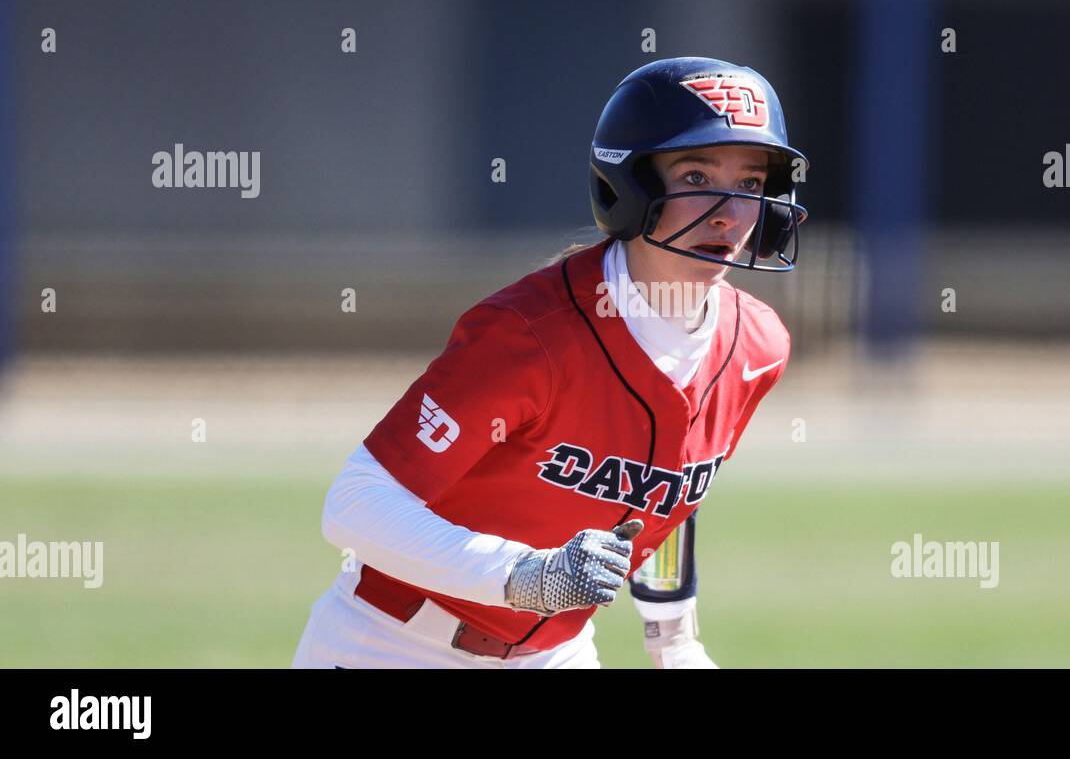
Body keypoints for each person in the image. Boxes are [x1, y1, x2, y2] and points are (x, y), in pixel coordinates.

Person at [291, 56, 808, 669]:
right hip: (394, 643)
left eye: (750, 185)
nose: (730, 212)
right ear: (631, 187)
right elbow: (355, 504)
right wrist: (523, 575)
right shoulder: (531, 335)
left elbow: (667, 504)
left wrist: (676, 642)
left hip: (554, 655)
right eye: (696, 175)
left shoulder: (758, 345)